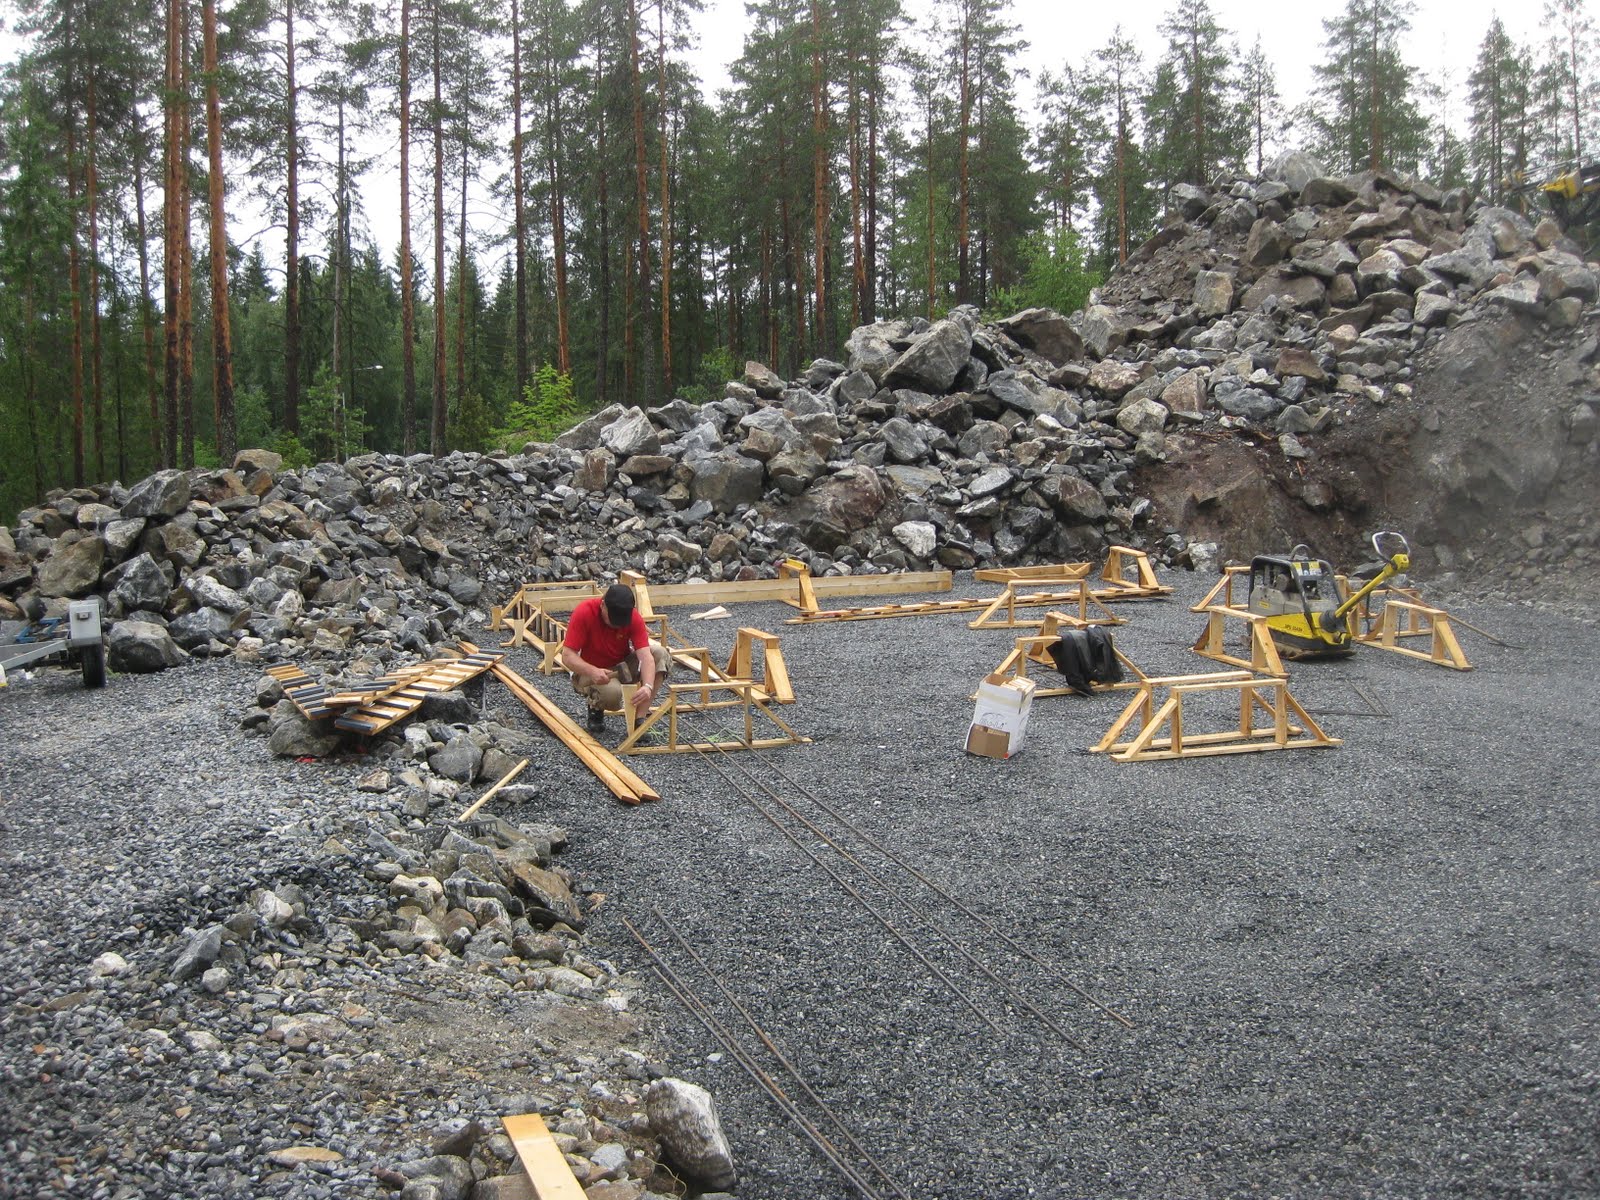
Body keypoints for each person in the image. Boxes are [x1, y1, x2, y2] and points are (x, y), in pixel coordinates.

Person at [560, 583, 670, 732]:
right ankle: (595, 707)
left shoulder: (633, 617)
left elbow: (646, 657)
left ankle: (639, 721)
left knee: (660, 654)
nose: (616, 625)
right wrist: (593, 671)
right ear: (603, 605)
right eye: (613, 619)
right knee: (614, 695)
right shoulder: (584, 612)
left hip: (621, 667)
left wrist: (647, 687)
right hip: (588, 671)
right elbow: (567, 656)